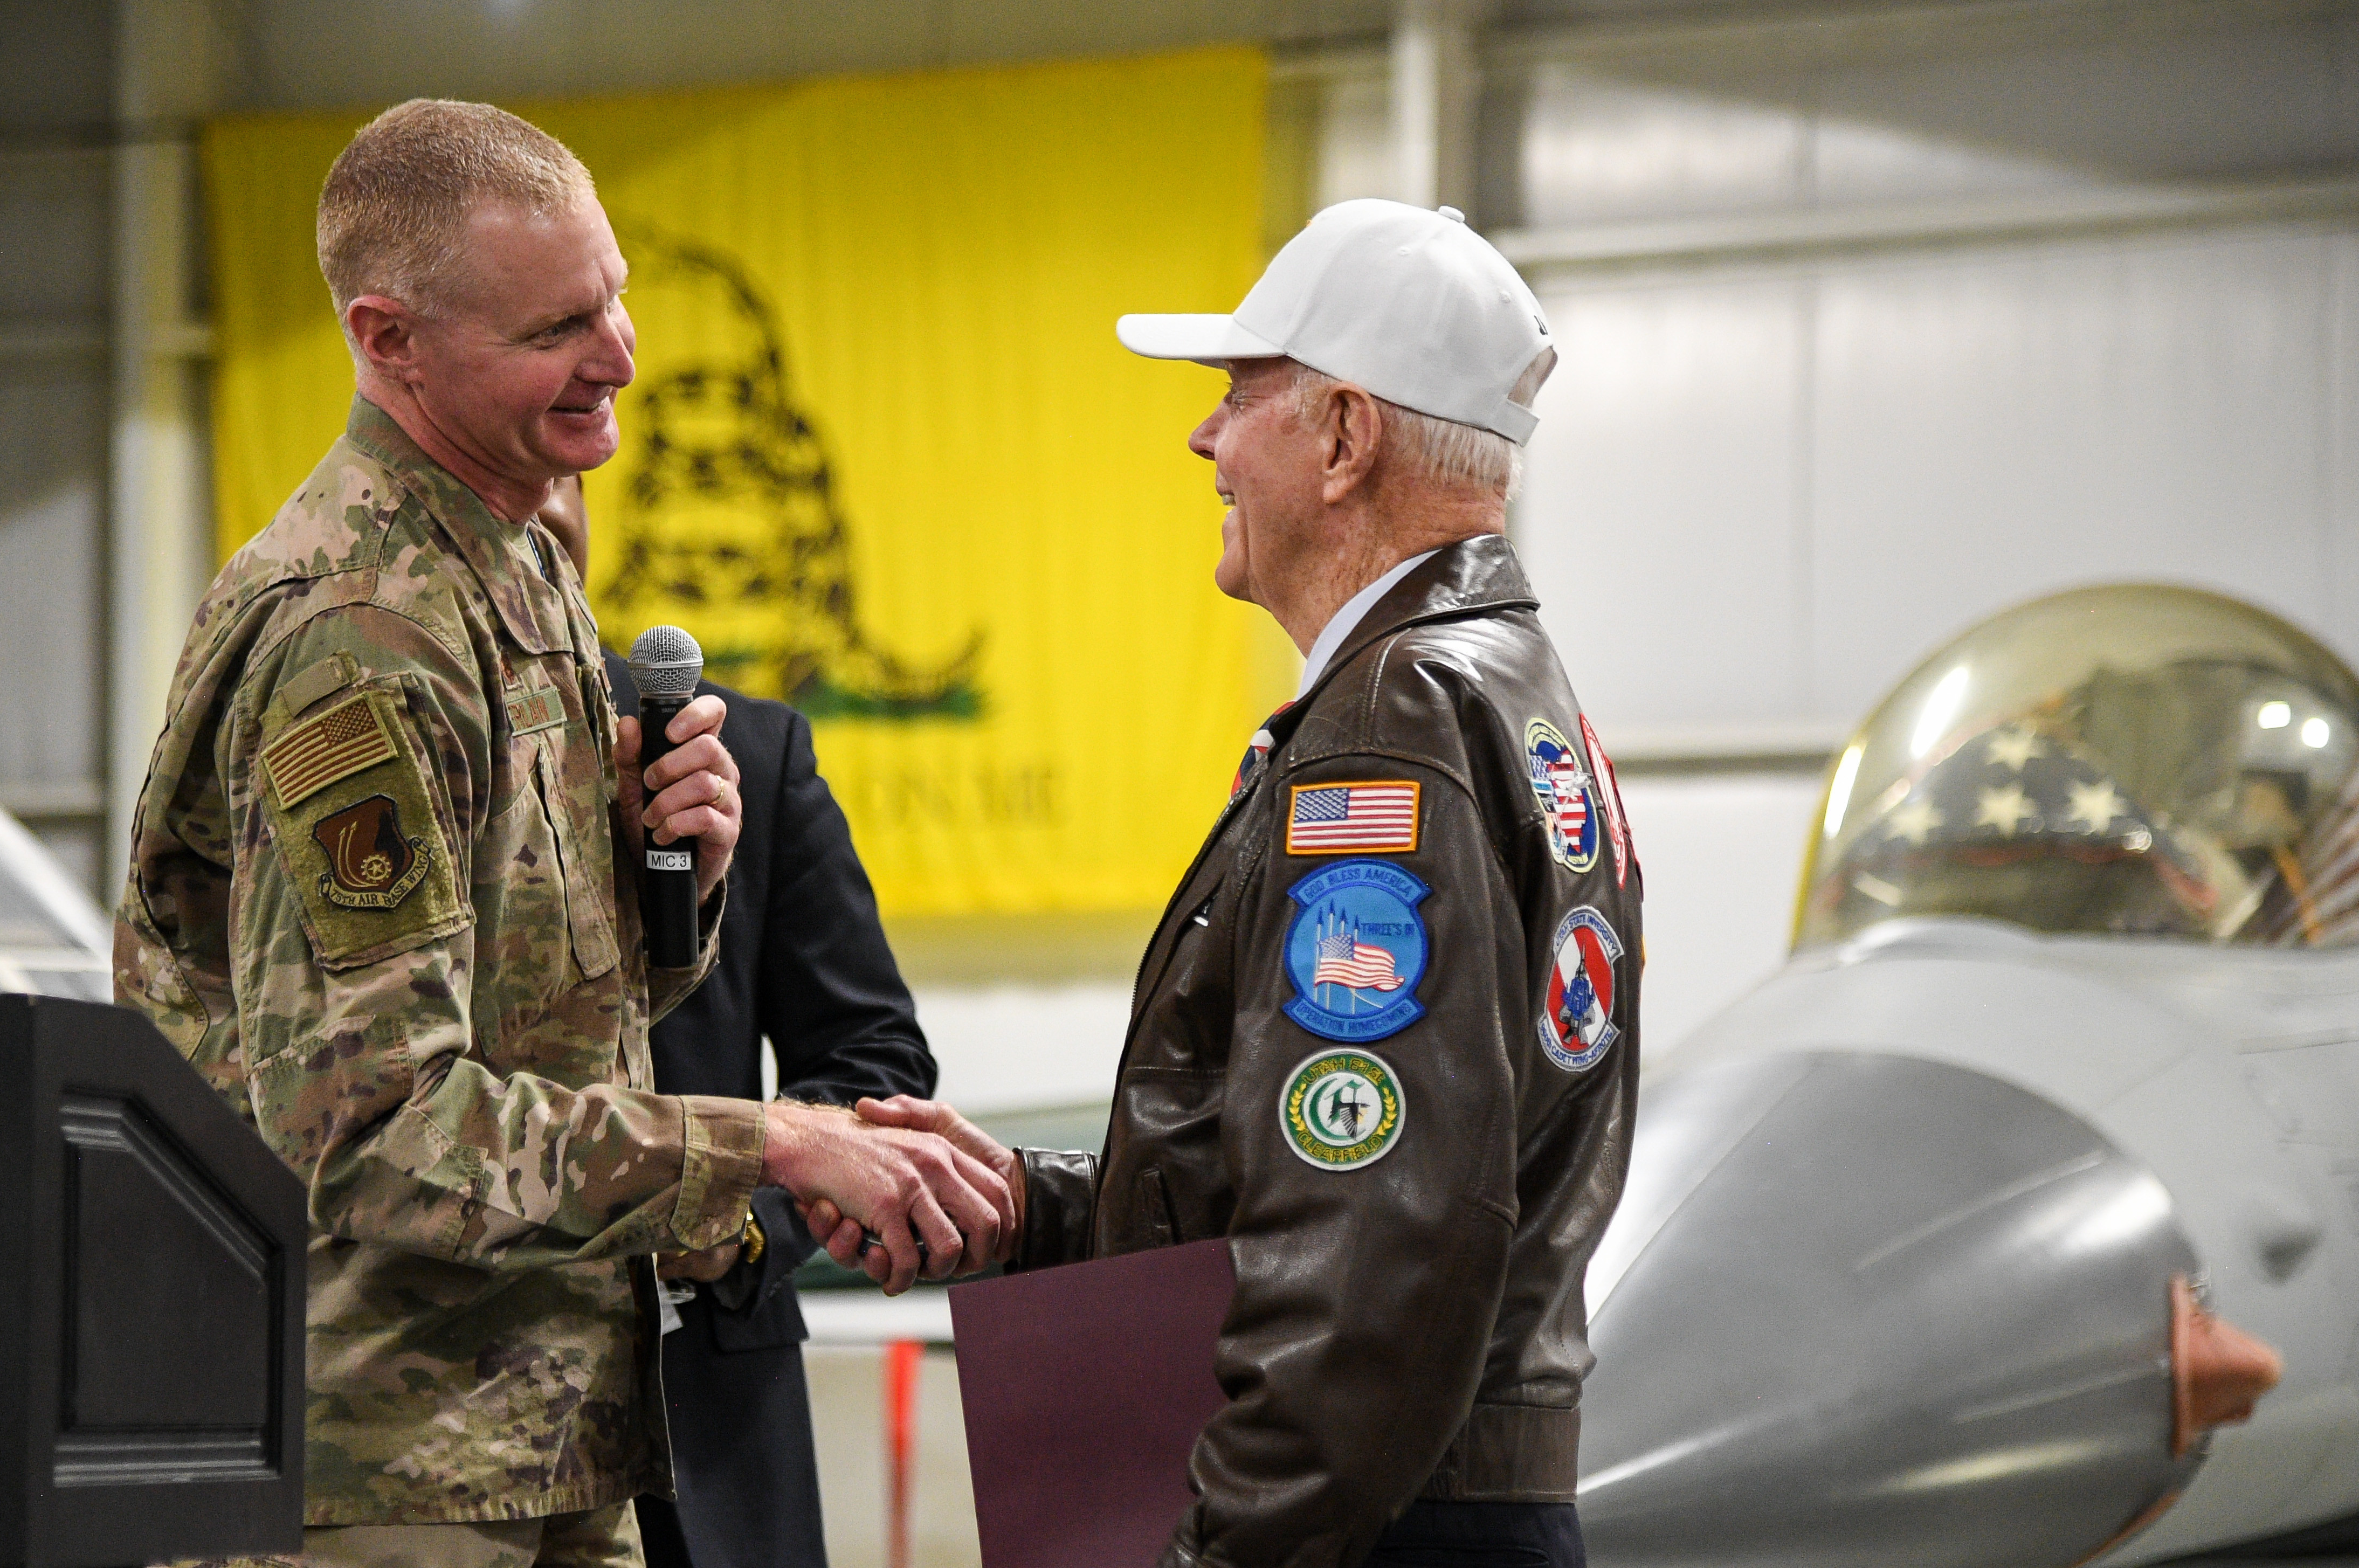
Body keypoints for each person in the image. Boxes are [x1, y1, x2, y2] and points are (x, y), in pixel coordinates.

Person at [114, 100, 1005, 1568]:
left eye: (614, 299)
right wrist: (768, 1139)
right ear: (388, 339)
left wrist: (677, 899)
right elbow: (377, 1132)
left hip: (543, 1434)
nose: (617, 357)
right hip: (376, 1469)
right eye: (554, 328)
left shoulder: (515, 556)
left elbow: (527, 1031)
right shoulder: (362, 632)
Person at [832, 199, 1641, 1568]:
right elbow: (1342, 1168)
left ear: (1343, 437)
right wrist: (1037, 1213)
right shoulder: (1504, 691)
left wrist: (1225, 1553)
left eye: (1238, 392)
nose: (1205, 438)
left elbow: (1368, 1236)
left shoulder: (1394, 731)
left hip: (1373, 1525)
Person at [539, 474, 936, 1568]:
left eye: (564, 479)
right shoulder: (394, 770)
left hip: (703, 1412)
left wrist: (739, 1229)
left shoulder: (744, 759)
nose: (543, 506)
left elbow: (875, 1063)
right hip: (451, 1428)